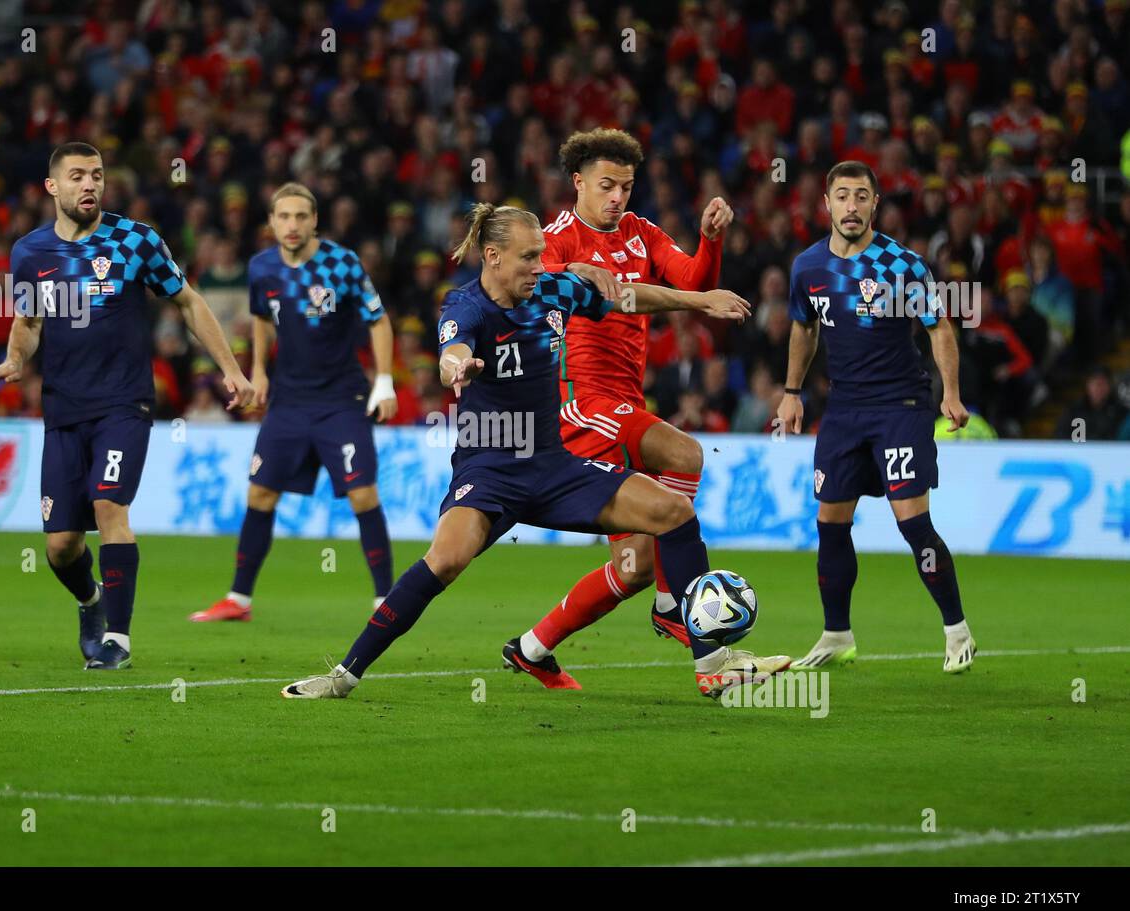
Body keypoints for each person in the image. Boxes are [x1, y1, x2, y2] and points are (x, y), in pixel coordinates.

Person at [281, 203, 752, 700]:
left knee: (674, 512)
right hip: (489, 471)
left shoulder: (554, 291)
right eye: (529, 257)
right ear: (493, 256)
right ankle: (344, 675)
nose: (538, 266)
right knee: (445, 561)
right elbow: (451, 351)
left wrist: (698, 300)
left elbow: (628, 298)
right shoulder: (465, 306)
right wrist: (457, 366)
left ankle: (712, 665)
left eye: (542, 256)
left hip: (553, 468)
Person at [511, 128, 790, 694]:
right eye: (606, 185)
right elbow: (614, 295)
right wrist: (691, 299)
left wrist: (710, 242)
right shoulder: (559, 237)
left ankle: (533, 648)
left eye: (627, 187)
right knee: (684, 452)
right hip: (580, 403)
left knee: (634, 565)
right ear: (578, 184)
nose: (617, 197)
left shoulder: (641, 233)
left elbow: (692, 279)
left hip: (623, 402)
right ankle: (696, 638)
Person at [0, 141, 254, 670]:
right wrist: (15, 360)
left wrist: (231, 368)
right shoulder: (30, 253)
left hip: (123, 405)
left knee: (110, 506)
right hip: (63, 411)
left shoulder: (135, 240)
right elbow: (30, 321)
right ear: (52, 186)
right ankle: (91, 601)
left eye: (97, 176)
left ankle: (119, 641)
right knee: (60, 545)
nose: (90, 185)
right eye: (78, 176)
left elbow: (188, 302)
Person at [778, 161, 976, 674]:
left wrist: (950, 393)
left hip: (900, 406)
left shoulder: (901, 264)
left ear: (874, 203)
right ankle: (836, 634)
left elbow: (939, 327)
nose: (851, 206)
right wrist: (792, 392)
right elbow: (803, 329)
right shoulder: (808, 268)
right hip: (843, 409)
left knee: (913, 524)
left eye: (860, 196)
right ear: (826, 203)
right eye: (841, 196)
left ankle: (957, 631)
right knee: (830, 523)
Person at [189, 182, 397, 622]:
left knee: (362, 494)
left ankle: (386, 599)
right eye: (283, 216)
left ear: (315, 220)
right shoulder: (262, 268)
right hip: (288, 401)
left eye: (301, 216)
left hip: (342, 400)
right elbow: (263, 319)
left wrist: (384, 380)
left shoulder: (342, 263)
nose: (292, 225)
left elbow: (378, 321)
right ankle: (238, 600)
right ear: (270, 222)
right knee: (260, 494)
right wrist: (260, 371)